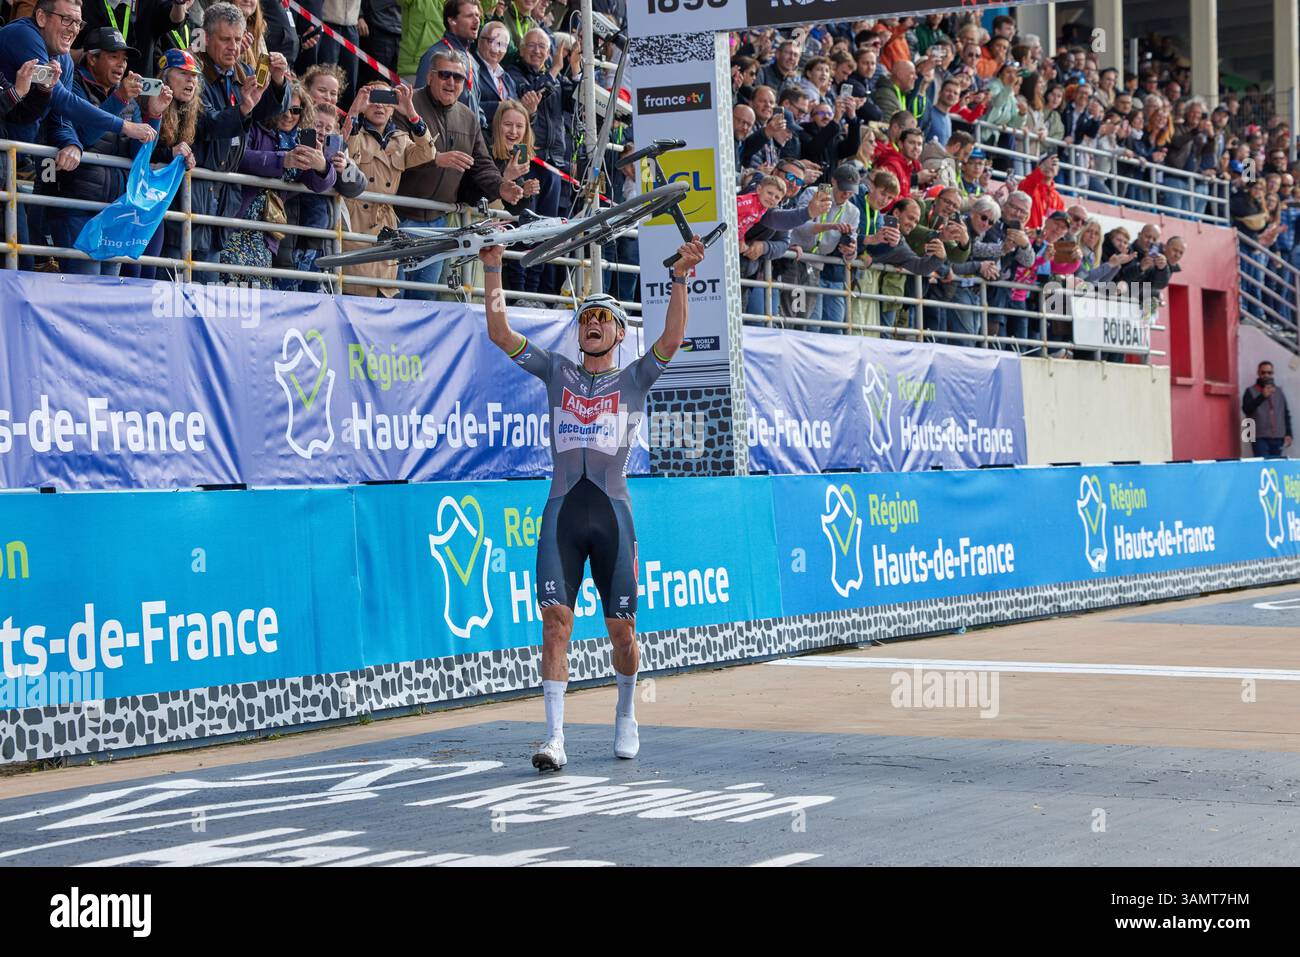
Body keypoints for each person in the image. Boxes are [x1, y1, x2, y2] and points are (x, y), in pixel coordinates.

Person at [478, 235, 707, 771]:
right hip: (562, 510)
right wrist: (493, 271)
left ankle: (626, 714)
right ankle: (554, 737)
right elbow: (499, 332)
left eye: (604, 317)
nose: (594, 323)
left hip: (612, 515)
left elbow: (673, 337)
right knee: (556, 620)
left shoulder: (635, 377)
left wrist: (679, 278)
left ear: (619, 332)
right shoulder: (557, 370)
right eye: (586, 318)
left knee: (620, 630)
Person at [396, 50, 521, 297]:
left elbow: (482, 165)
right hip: (400, 217)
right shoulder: (408, 106)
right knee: (394, 296)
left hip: (439, 222)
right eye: (445, 75)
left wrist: (500, 186)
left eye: (458, 78)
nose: (451, 82)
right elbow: (397, 156)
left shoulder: (468, 116)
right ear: (430, 77)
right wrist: (435, 160)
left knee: (425, 301)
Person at [41, 26, 160, 276]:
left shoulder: (126, 96)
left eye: (124, 59)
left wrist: (154, 116)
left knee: (107, 296)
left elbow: (139, 151)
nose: (121, 64)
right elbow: (83, 137)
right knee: (84, 291)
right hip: (77, 207)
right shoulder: (71, 86)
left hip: (114, 209)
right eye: (113, 56)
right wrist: (119, 99)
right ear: (92, 58)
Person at [340, 79, 436, 296]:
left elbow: (428, 153)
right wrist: (355, 110)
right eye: (373, 100)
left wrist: (411, 113)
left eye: (386, 100)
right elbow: (345, 149)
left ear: (393, 109)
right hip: (356, 220)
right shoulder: (355, 131)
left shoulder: (401, 140)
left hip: (385, 223)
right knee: (354, 289)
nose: (379, 106)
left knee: (383, 293)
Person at [487, 98, 540, 292]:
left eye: (520, 126)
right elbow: (480, 194)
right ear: (497, 125)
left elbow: (517, 208)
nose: (514, 132)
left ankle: (526, 295)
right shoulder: (486, 151)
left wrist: (525, 191)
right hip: (487, 241)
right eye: (508, 125)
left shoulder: (519, 155)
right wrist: (506, 177)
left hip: (511, 243)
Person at [1242, 361, 1292, 458]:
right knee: (1263, 466)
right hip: (1259, 437)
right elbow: (1246, 410)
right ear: (1258, 373)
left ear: (1272, 374)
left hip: (1278, 437)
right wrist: (1262, 396)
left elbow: (1285, 413)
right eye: (1263, 372)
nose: (1266, 375)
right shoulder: (1250, 391)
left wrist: (1288, 434)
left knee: (1275, 467)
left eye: (1269, 373)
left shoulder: (1279, 391)